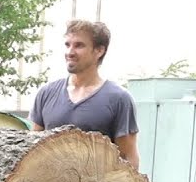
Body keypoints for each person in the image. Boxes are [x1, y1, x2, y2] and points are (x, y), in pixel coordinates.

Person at [30, 20, 139, 170]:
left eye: (79, 45)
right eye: (67, 45)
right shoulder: (46, 93)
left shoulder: (119, 99)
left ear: (99, 51)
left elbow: (128, 156)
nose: (70, 52)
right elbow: (32, 149)